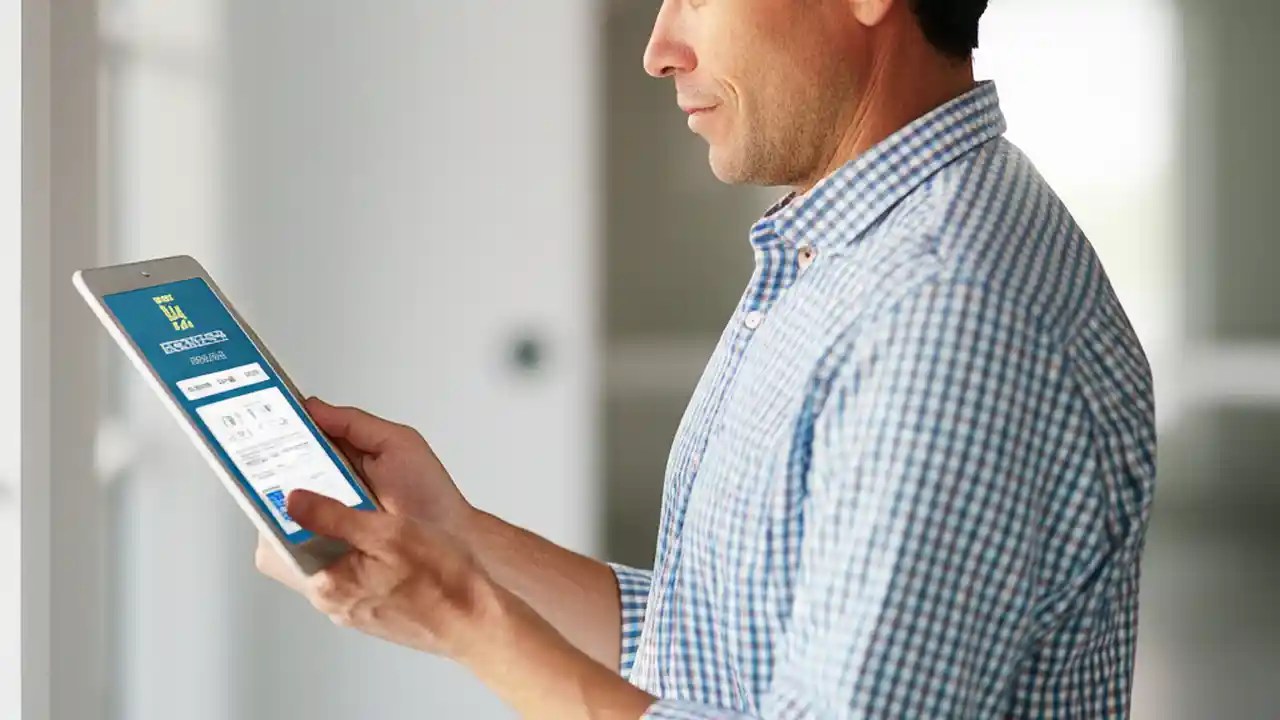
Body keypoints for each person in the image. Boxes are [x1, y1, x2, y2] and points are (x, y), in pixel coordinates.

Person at [256, 0, 1157, 717]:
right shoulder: (853, 251)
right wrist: (457, 536)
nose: (657, 48)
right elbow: (716, 646)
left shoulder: (944, 317)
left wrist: (464, 620)